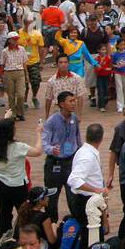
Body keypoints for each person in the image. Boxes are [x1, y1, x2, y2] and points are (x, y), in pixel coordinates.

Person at [0, 115, 43, 238]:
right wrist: (39, 133)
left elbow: (1, 130)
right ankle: (23, 239)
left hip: (0, 182)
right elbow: (38, 151)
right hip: (17, 185)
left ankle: (4, 240)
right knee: (24, 214)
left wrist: (6, 118)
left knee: (5, 213)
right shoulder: (18, 147)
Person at [41, 91, 81, 221]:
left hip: (71, 162)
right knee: (52, 198)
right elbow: (44, 142)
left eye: (74, 100)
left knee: (74, 196)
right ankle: (52, 225)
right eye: (71, 101)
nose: (74, 103)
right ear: (62, 104)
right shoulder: (51, 121)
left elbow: (77, 137)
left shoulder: (74, 118)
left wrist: (80, 152)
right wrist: (52, 150)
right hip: (55, 164)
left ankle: (76, 224)